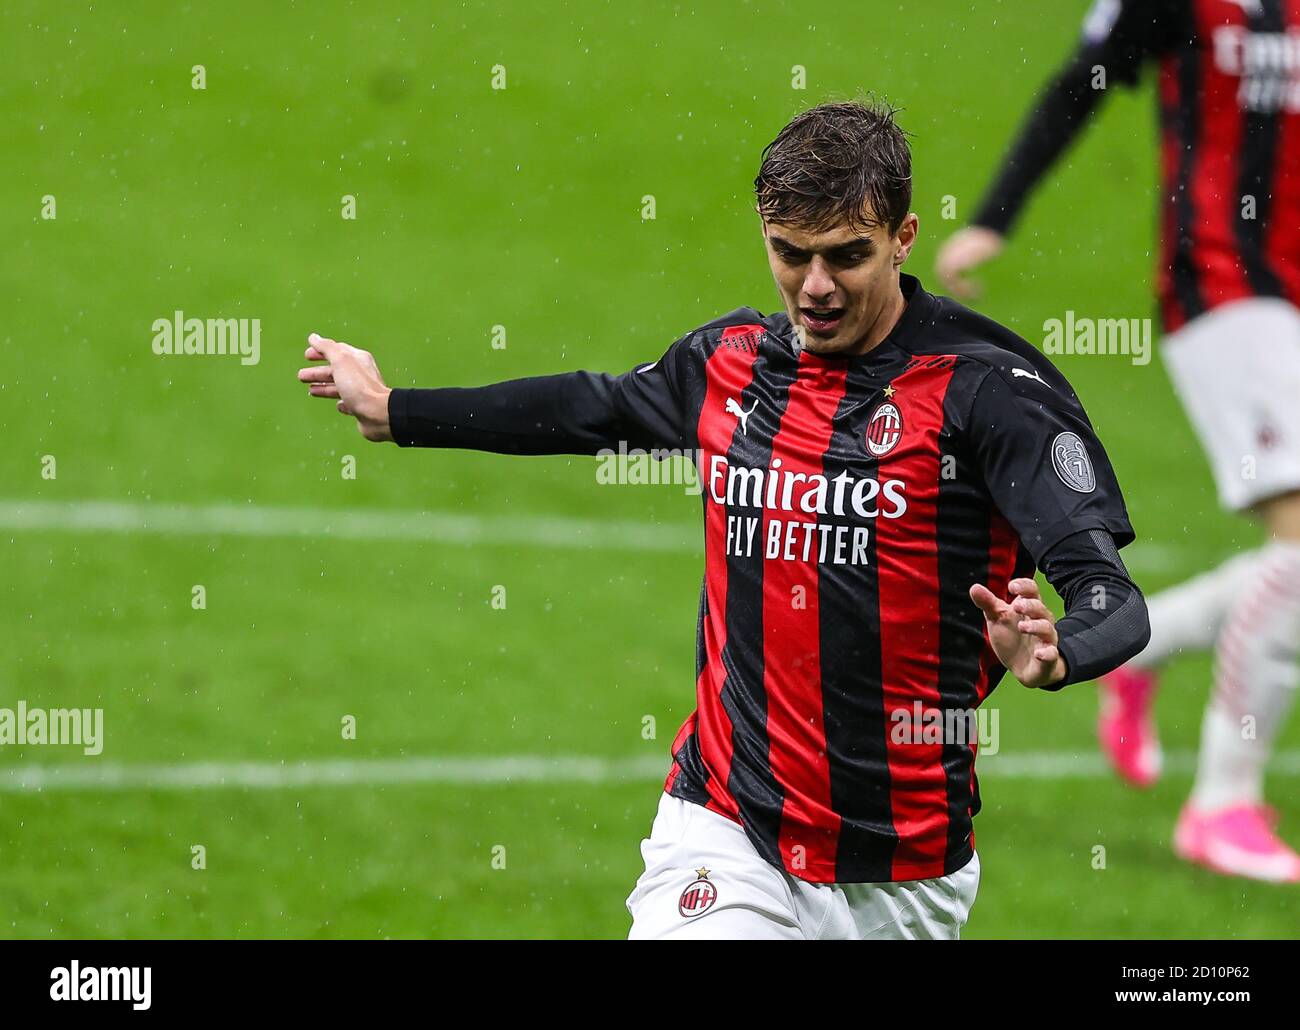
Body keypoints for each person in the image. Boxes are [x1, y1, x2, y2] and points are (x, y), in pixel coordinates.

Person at [300, 100, 1149, 938]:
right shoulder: (731, 366)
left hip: (904, 873)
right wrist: (396, 409)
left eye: (846, 257)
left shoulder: (987, 394)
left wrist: (1059, 650)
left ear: (904, 236)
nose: (815, 288)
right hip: (726, 823)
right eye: (790, 255)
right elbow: (586, 410)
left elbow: (1112, 594)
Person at [935, 0, 1300, 883]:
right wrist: (995, 214)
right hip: (1220, 281)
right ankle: (1222, 804)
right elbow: (1082, 80)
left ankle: (1142, 649)